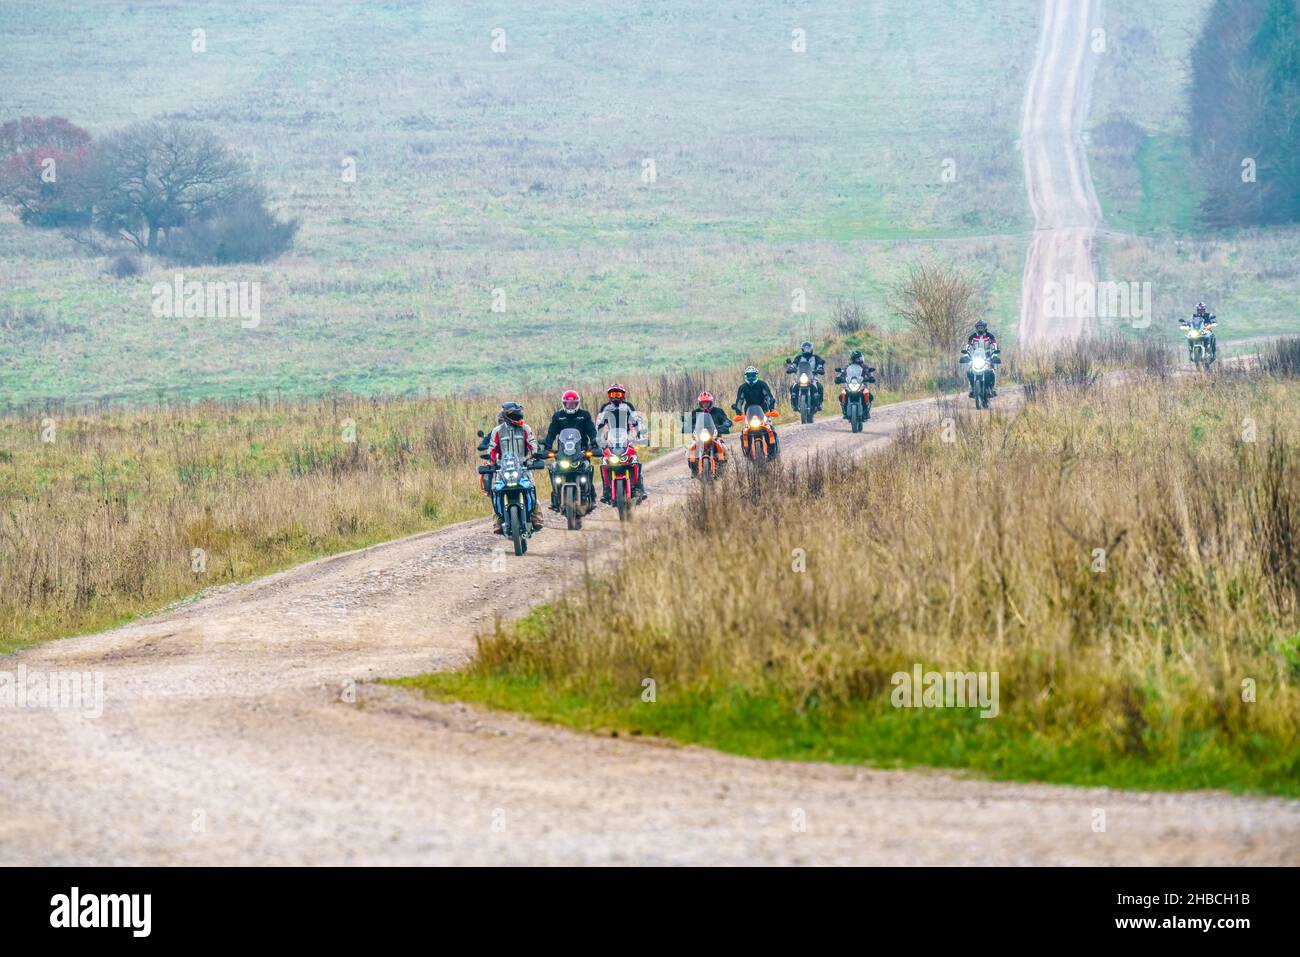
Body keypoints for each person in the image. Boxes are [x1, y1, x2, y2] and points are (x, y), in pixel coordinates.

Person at [485, 402, 543, 532]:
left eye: (519, 414)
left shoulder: (525, 429)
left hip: (522, 467)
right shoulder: (498, 431)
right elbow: (492, 449)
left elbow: (532, 444)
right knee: (495, 492)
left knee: (531, 489)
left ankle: (537, 519)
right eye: (515, 414)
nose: (518, 416)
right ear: (506, 416)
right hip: (503, 468)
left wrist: (534, 457)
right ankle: (497, 522)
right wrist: (491, 462)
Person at [541, 390, 600, 510]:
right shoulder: (558, 416)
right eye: (568, 403)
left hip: (581, 451)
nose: (570, 406)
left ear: (577, 403)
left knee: (587, 468)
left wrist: (595, 442)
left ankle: (591, 497)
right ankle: (555, 497)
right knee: (554, 469)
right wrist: (547, 447)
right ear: (564, 404)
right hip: (563, 452)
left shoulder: (584, 415)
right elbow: (551, 433)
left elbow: (592, 431)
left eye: (573, 403)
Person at [595, 383, 648, 503]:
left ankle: (639, 487)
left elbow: (637, 421)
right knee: (604, 461)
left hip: (626, 438)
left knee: (634, 459)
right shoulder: (605, 407)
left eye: (618, 394)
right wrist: (596, 439)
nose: (615, 397)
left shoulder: (628, 406)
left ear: (623, 395)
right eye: (613, 394)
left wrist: (641, 434)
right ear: (609, 396)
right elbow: (598, 424)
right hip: (611, 439)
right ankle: (606, 491)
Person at [733, 366, 779, 457]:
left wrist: (771, 407)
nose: (751, 377)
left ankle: (774, 449)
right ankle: (746, 450)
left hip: (763, 409)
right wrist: (738, 411)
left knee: (770, 427)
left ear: (756, 375)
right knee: (744, 430)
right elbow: (740, 400)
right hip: (749, 411)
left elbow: (768, 396)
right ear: (745, 376)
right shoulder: (743, 387)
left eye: (753, 375)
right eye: (749, 375)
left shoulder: (762, 384)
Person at [683, 390, 730, 477]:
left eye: (707, 403)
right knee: (689, 449)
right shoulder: (695, 412)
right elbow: (687, 422)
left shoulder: (718, 411)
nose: (706, 405)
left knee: (725, 449)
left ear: (711, 403)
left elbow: (725, 419)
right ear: (700, 403)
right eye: (703, 403)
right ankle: (693, 469)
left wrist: (726, 424)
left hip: (715, 437)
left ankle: (724, 467)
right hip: (699, 437)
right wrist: (686, 426)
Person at [784, 340, 826, 411]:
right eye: (805, 348)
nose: (807, 350)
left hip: (813, 378)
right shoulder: (798, 358)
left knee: (820, 387)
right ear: (802, 349)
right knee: (792, 387)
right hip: (800, 377)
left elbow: (820, 365)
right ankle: (794, 404)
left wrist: (820, 368)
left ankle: (819, 403)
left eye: (808, 348)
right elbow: (794, 364)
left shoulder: (816, 357)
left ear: (811, 349)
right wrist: (791, 368)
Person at [962, 320, 1000, 397]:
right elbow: (968, 345)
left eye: (982, 327)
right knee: (969, 371)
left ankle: (993, 388)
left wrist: (995, 352)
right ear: (976, 328)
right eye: (979, 327)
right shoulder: (972, 337)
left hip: (988, 358)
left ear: (985, 327)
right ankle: (972, 389)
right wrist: (966, 352)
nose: (980, 328)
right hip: (976, 358)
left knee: (992, 371)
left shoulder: (990, 336)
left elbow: (994, 344)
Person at [834, 350, 877, 416]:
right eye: (859, 358)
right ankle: (845, 411)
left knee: (870, 396)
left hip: (862, 385)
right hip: (850, 385)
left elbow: (868, 372)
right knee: (841, 396)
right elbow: (844, 372)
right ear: (854, 359)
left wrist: (871, 377)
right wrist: (839, 378)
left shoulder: (864, 366)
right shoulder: (848, 366)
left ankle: (866, 411)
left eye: (861, 358)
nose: (861, 359)